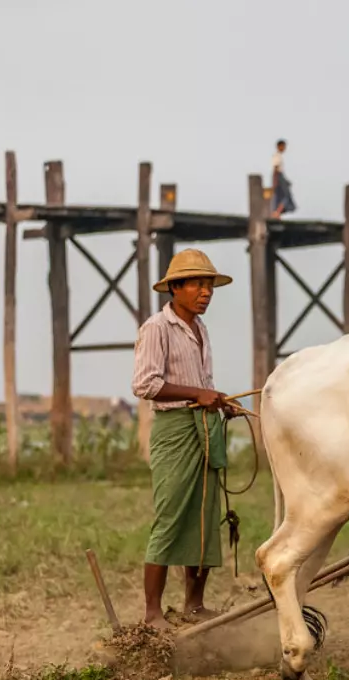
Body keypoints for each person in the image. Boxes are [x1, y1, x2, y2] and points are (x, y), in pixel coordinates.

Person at [132, 249, 237, 629]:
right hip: (174, 430)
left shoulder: (199, 329)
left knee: (206, 516)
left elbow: (202, 387)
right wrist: (196, 394)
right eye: (196, 284)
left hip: (203, 426)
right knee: (171, 516)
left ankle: (195, 604)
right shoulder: (156, 328)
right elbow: (145, 384)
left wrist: (216, 401)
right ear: (174, 288)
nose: (205, 291)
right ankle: (152, 613)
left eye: (209, 284)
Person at [270, 139, 296, 219]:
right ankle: (277, 212)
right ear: (279, 146)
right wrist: (275, 181)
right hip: (278, 176)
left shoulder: (279, 156)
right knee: (285, 196)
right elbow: (276, 169)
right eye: (283, 146)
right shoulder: (277, 156)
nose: (284, 148)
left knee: (280, 196)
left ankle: (277, 213)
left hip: (280, 177)